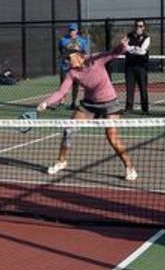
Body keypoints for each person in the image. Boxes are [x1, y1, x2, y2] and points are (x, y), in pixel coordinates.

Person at [36, 40, 138, 181]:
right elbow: (61, 92)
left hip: (110, 103)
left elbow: (114, 52)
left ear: (77, 55)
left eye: (68, 58)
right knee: (69, 129)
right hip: (89, 104)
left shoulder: (95, 59)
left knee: (112, 137)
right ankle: (61, 161)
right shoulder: (72, 73)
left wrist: (121, 46)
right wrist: (46, 102)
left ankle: (130, 167)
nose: (66, 61)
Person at [57, 24, 90, 110]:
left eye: (73, 30)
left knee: (76, 85)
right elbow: (61, 50)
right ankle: (61, 101)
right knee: (63, 84)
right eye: (70, 30)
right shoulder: (63, 40)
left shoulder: (82, 41)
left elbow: (85, 53)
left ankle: (73, 102)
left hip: (77, 67)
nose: (72, 32)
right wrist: (66, 58)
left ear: (77, 31)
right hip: (65, 66)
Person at [123, 19, 151, 114]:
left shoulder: (147, 38)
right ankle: (128, 108)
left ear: (144, 27)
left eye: (141, 26)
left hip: (141, 67)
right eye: (137, 26)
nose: (138, 28)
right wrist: (135, 49)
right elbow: (125, 48)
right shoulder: (128, 36)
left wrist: (131, 48)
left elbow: (143, 51)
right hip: (129, 67)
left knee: (143, 88)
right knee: (129, 89)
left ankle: (145, 109)